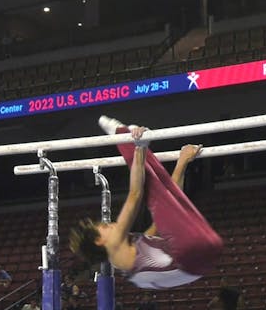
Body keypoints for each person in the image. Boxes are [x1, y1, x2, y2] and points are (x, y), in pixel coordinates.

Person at [68, 119, 222, 290]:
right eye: (103, 226)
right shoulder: (113, 245)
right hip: (190, 256)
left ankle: (127, 136)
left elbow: (170, 206)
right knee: (149, 191)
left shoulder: (132, 249)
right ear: (99, 241)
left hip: (205, 256)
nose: (110, 224)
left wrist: (182, 162)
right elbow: (135, 195)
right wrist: (139, 147)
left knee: (163, 203)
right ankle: (123, 134)